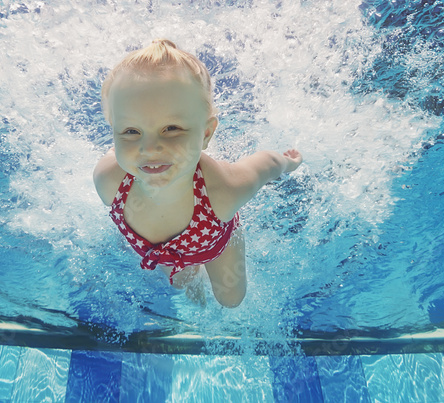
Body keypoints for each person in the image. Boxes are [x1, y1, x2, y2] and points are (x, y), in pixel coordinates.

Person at [93, 38, 302, 307]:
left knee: (230, 299)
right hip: (167, 252)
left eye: (171, 129)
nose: (149, 149)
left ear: (206, 134)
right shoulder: (108, 180)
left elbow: (265, 165)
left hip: (214, 238)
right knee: (184, 286)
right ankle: (188, 271)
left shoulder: (224, 191)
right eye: (131, 131)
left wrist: (288, 162)